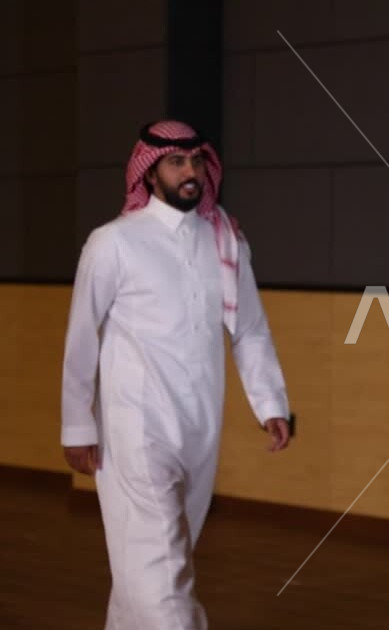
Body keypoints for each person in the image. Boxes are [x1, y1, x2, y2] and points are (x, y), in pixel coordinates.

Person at [61, 120, 292, 629]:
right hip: (136, 427)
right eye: (176, 162)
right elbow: (82, 337)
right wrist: (78, 425)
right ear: (148, 173)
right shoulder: (113, 242)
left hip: (200, 423)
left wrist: (270, 402)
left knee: (150, 562)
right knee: (162, 569)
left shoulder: (224, 241)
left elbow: (249, 328)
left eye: (196, 161)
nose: (190, 172)